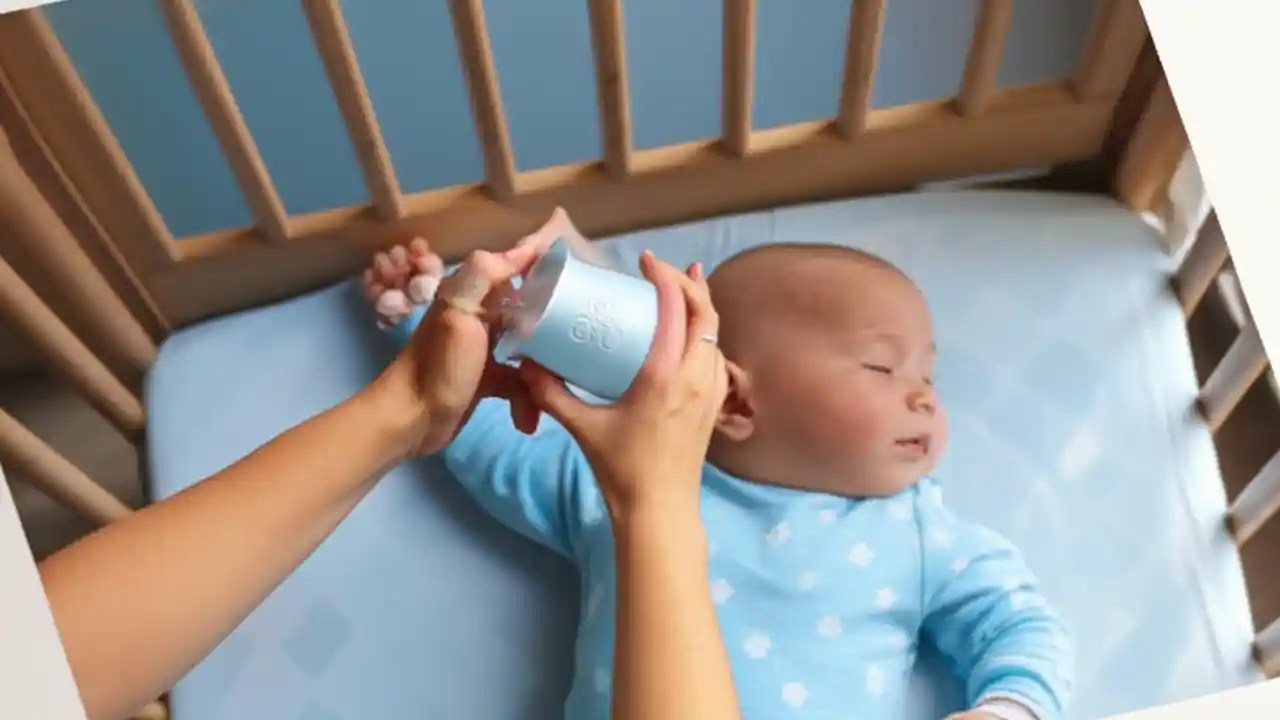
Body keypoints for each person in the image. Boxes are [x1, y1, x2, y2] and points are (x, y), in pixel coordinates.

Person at [34, 216, 740, 720]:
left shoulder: (845, 519)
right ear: (737, 395)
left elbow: (33, 672)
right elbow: (505, 457)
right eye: (859, 362)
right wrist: (417, 358)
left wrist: (407, 404)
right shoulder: (612, 483)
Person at [366, 219, 1074, 719]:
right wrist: (431, 324)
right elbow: (494, 447)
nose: (924, 396)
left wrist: (1008, 708)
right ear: (734, 397)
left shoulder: (916, 531)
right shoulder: (623, 469)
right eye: (883, 367)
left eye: (929, 375)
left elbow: (1019, 624)